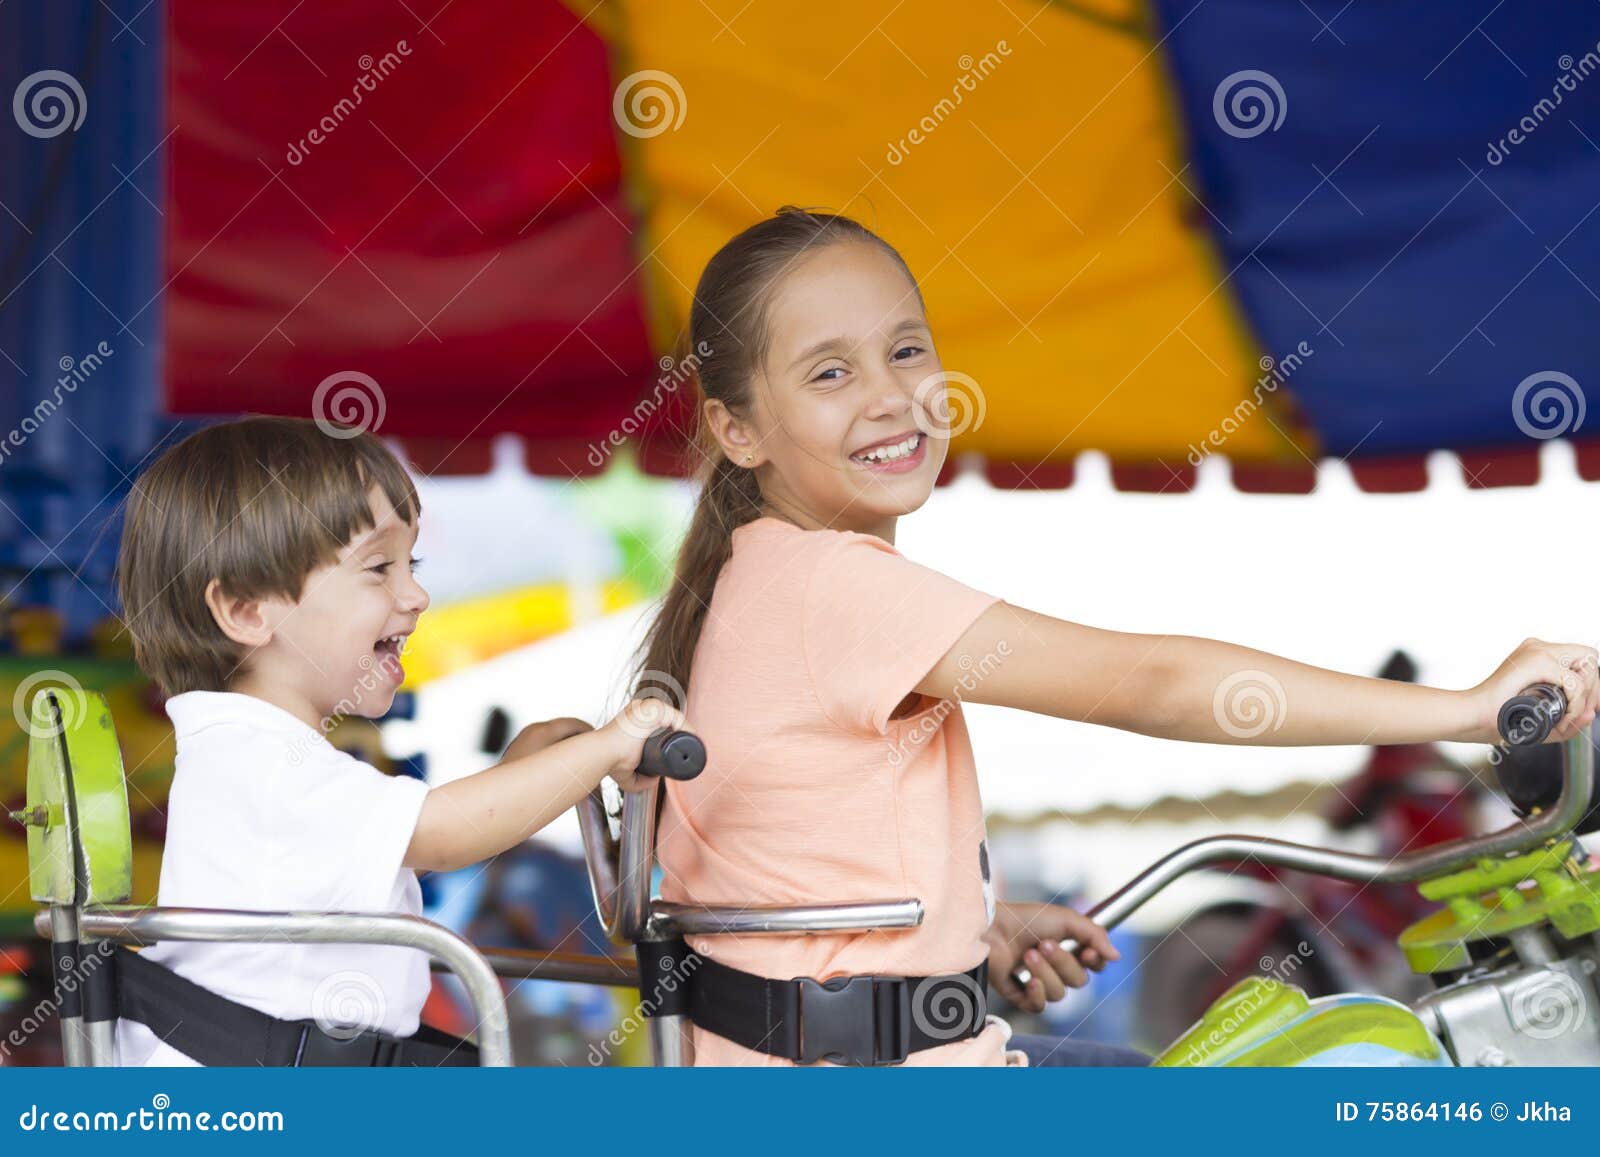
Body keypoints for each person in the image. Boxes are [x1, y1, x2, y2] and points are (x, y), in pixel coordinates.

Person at [638, 207, 1599, 1067]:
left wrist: (977, 925)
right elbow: (1155, 684)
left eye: (908, 350)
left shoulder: (761, 576)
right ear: (738, 430)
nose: (890, 394)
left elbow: (792, 881)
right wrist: (1470, 709)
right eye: (830, 372)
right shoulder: (833, 583)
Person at [113, 417, 679, 1066]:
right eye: (380, 567)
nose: (417, 594)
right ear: (247, 610)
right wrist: (607, 747)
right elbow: (441, 832)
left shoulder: (251, 750)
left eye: (413, 564)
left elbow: (388, 854)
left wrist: (528, 769)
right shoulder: (258, 760)